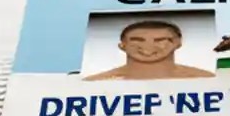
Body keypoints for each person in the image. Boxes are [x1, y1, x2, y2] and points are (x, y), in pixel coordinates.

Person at [84, 20, 214, 80]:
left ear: (177, 43)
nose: (148, 47)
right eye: (137, 40)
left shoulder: (205, 79)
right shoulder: (96, 82)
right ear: (122, 45)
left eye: (160, 40)